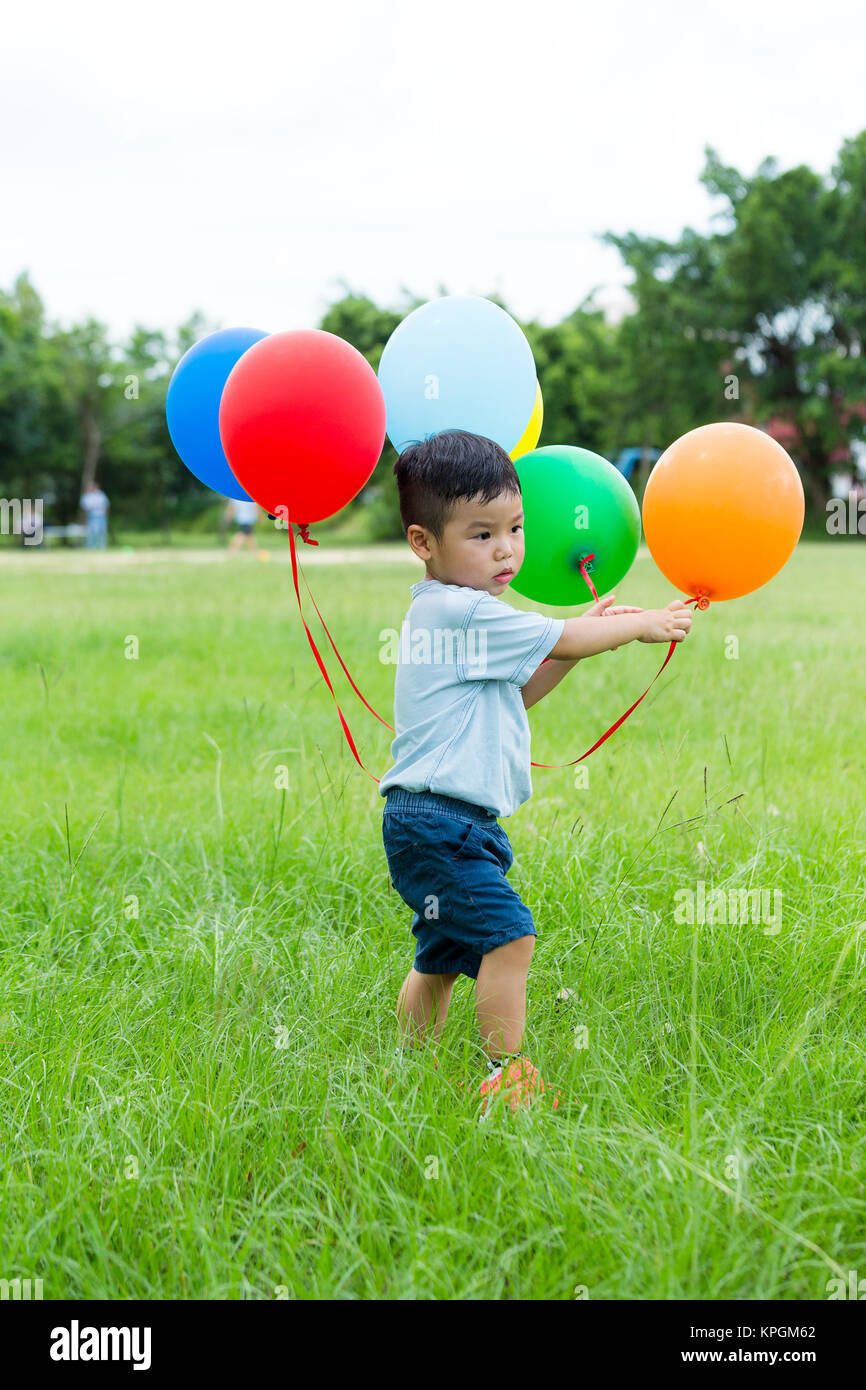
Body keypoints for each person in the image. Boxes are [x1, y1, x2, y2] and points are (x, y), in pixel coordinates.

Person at [379, 430, 692, 1115]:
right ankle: (507, 1074)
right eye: (481, 534)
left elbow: (517, 691)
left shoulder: (442, 612)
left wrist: (573, 646)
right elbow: (564, 634)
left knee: (439, 956)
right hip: (441, 824)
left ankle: (405, 1072)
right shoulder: (464, 611)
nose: (506, 550)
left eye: (515, 529)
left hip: (435, 821)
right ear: (423, 542)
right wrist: (641, 624)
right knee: (510, 936)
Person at [80, 481, 109, 548]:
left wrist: (106, 514)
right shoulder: (87, 496)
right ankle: (91, 546)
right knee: (92, 532)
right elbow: (85, 507)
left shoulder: (101, 494)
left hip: (102, 516)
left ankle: (102, 547)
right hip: (92, 516)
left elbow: (106, 504)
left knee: (102, 531)